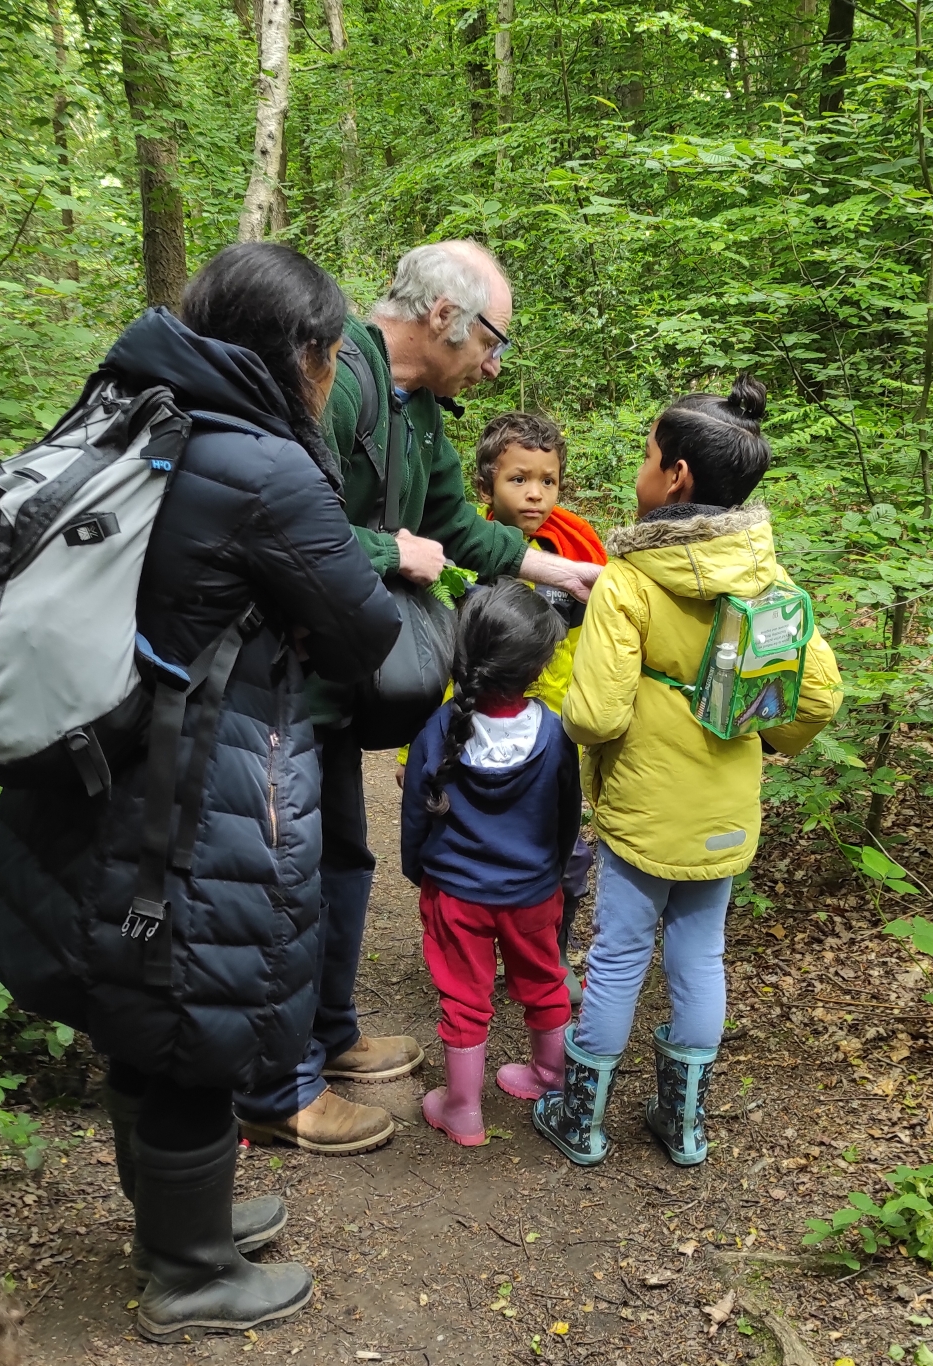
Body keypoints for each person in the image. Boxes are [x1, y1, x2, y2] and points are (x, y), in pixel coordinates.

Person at [0, 243, 402, 1341]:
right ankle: (189, 1269)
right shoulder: (262, 467)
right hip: (189, 790)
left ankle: (181, 1217)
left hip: (95, 773)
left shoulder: (137, 413)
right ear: (303, 355)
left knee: (144, 1007)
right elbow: (364, 631)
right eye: (329, 353)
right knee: (191, 1020)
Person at [236, 241, 603, 1156]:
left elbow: (460, 529)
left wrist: (572, 571)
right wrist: (388, 555)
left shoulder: (427, 418)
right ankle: (278, 1083)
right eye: (493, 340)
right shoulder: (338, 379)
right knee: (284, 873)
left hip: (331, 687)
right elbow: (272, 519)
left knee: (344, 860)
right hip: (269, 684)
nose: (494, 363)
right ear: (444, 316)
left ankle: (329, 1032)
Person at [533, 376, 843, 1168]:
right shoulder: (768, 578)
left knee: (616, 958)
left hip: (642, 810)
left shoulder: (631, 579)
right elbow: (816, 694)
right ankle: (681, 1124)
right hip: (725, 806)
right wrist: (764, 737)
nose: (639, 469)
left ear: (676, 478)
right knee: (700, 957)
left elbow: (597, 715)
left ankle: (582, 1121)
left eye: (645, 455)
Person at [401, 581, 581, 1145]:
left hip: (456, 895)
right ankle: (551, 1077)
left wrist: (420, 872)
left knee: (464, 995)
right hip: (533, 893)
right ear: (539, 665)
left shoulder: (442, 727)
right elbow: (566, 817)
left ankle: (462, 1109)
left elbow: (414, 816)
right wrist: (550, 873)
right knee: (545, 980)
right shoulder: (553, 733)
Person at [474, 411, 607, 1003]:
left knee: (568, 852)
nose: (535, 493)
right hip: (478, 729)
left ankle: (550, 947)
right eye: (518, 479)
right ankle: (477, 945)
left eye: (547, 480)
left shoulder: (578, 551)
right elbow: (447, 656)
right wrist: (410, 746)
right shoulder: (464, 555)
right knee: (482, 843)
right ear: (486, 486)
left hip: (558, 734)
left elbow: (600, 644)